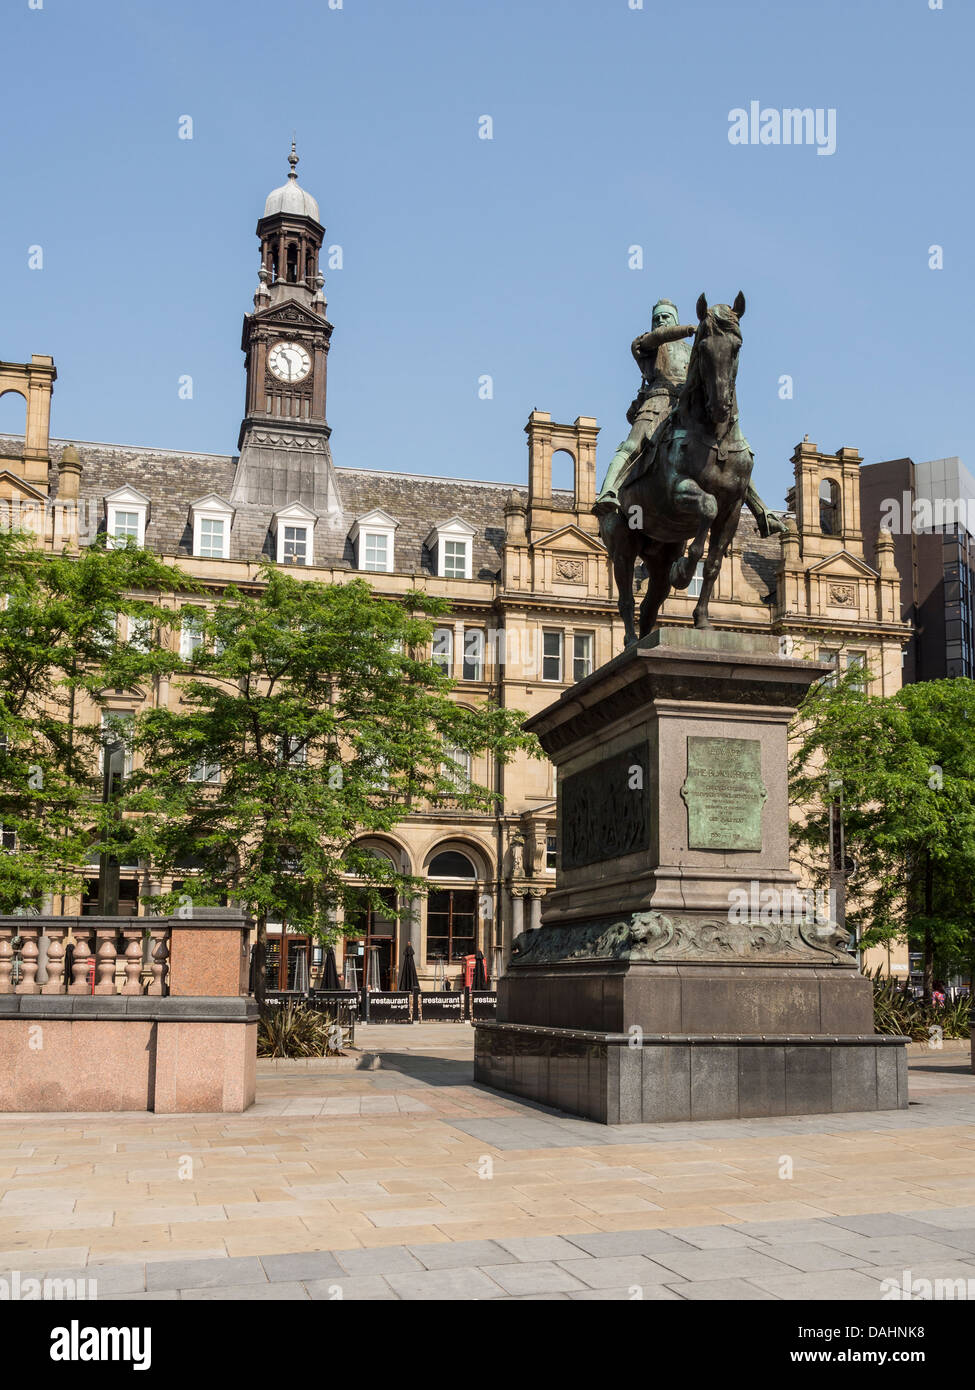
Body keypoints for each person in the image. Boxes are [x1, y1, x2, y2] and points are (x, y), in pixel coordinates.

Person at [593, 298, 695, 515]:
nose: (661, 321)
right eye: (656, 318)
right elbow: (659, 336)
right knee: (632, 445)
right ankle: (608, 491)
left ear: (675, 319)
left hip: (687, 405)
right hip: (656, 403)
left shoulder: (692, 351)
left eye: (666, 316)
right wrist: (689, 329)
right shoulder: (645, 344)